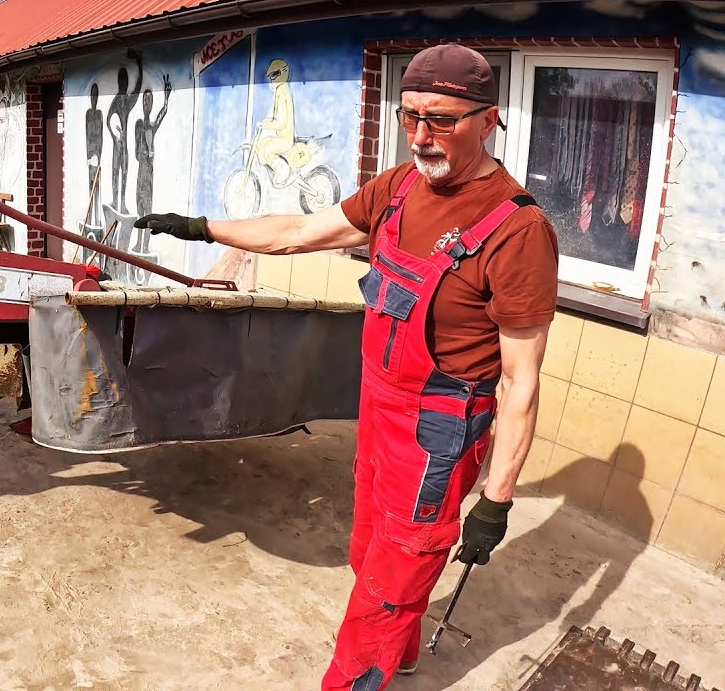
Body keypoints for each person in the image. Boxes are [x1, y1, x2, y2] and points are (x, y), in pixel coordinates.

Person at [134, 43, 559, 689]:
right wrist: (204, 228)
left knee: (388, 584)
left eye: (441, 119)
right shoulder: (396, 189)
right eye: (410, 115)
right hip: (378, 408)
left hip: (439, 433)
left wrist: (496, 501)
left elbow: (521, 383)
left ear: (489, 119)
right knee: (369, 554)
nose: (421, 136)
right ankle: (403, 654)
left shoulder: (517, 231)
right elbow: (297, 233)